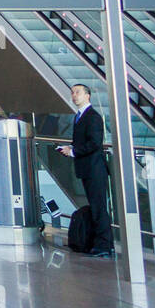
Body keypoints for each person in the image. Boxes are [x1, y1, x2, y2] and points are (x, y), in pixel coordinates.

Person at [58, 83, 114, 258]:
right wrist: (71, 147)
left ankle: (105, 245)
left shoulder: (93, 117)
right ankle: (99, 242)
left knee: (99, 207)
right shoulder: (80, 116)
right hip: (87, 168)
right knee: (95, 206)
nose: (74, 96)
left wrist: (74, 151)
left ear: (87, 96)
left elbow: (94, 143)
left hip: (95, 169)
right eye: (73, 93)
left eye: (78, 92)